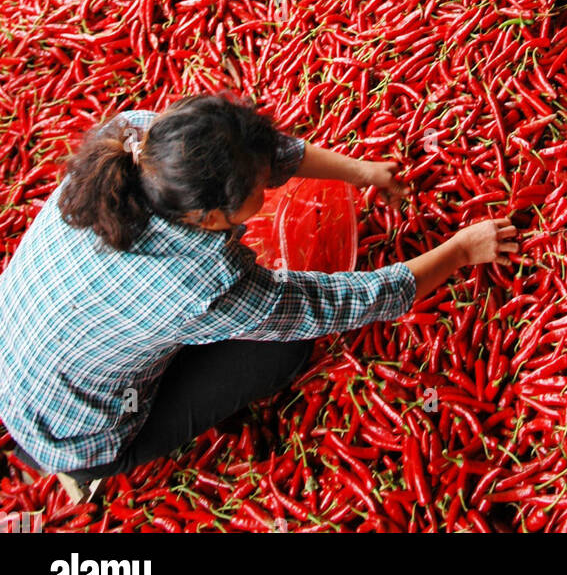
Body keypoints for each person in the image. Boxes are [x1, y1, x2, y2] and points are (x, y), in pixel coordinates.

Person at [0, 93, 517, 491]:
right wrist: (458, 252)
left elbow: (257, 155)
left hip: (14, 351)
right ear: (212, 218)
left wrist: (362, 171)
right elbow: (333, 305)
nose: (268, 190)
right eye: (258, 195)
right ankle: (91, 466)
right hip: (78, 435)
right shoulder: (203, 283)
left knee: (173, 323)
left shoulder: (136, 139)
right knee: (285, 345)